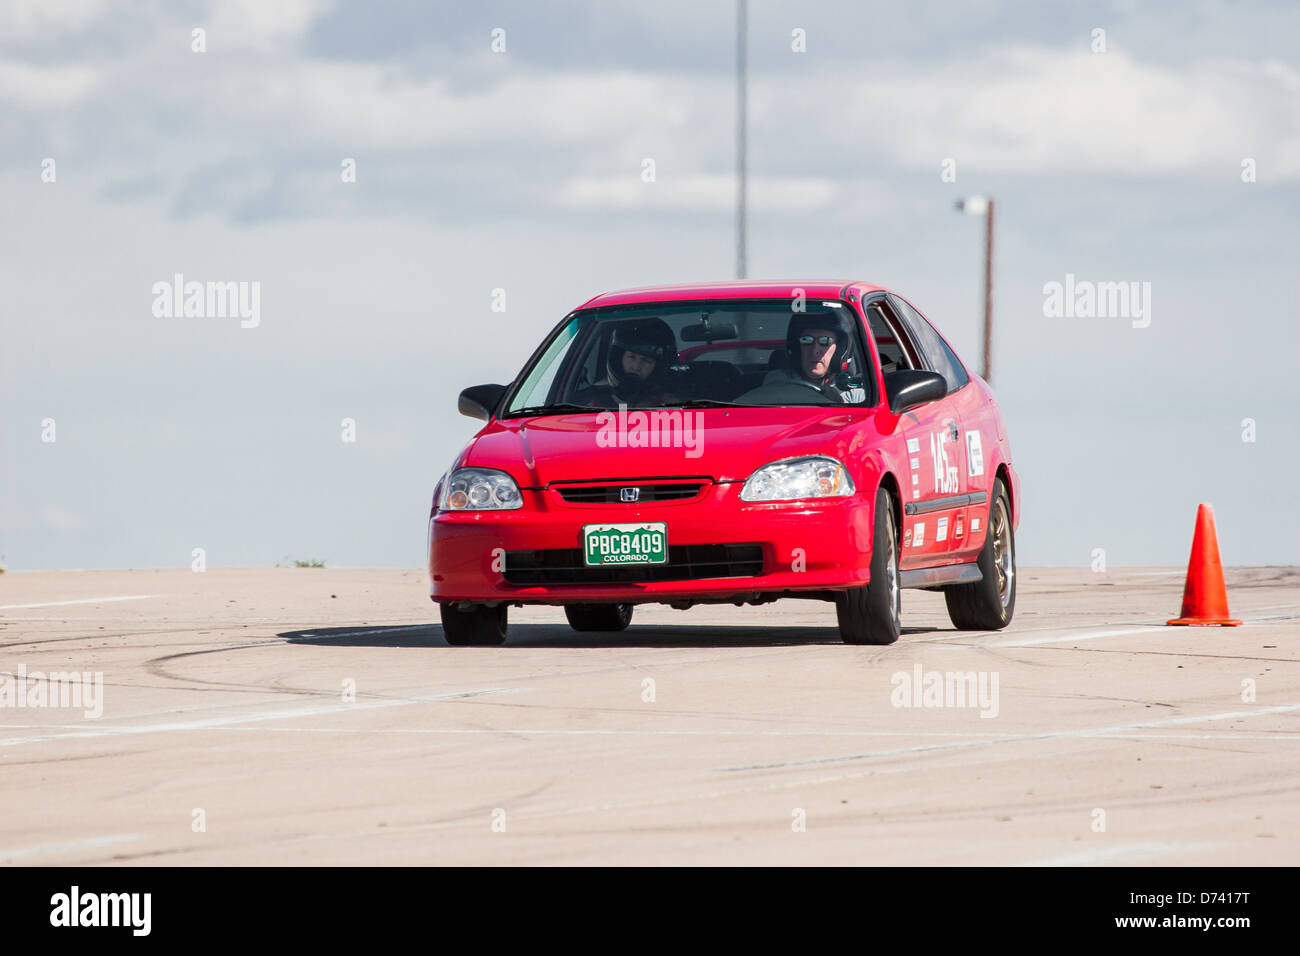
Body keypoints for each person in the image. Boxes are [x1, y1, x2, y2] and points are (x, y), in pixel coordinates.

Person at [575, 318, 679, 406]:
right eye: (631, 357)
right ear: (619, 359)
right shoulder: (597, 405)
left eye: (646, 361)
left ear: (658, 367)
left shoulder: (668, 407)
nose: (636, 366)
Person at [763, 312, 862, 402]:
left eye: (825, 341)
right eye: (806, 340)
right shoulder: (779, 381)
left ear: (839, 350)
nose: (814, 351)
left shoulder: (855, 393)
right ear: (797, 348)